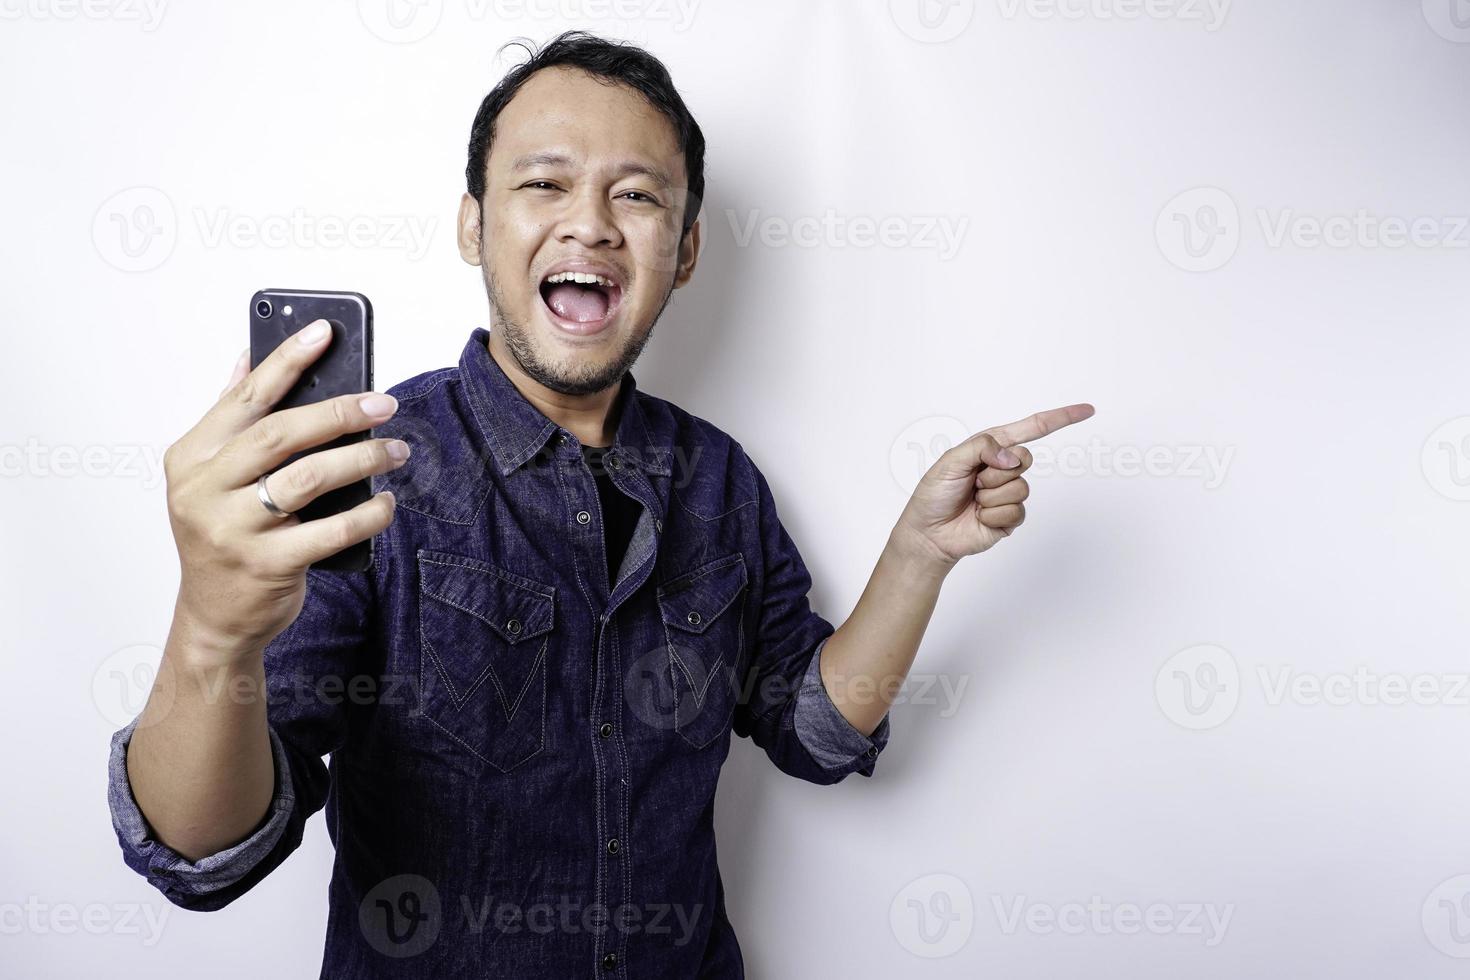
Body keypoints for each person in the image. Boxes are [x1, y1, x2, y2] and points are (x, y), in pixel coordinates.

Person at [106, 30, 1093, 978]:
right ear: (472, 223)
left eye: (636, 194)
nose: (590, 221)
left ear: (687, 249)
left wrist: (921, 552)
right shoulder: (358, 467)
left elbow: (817, 731)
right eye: (543, 182)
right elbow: (207, 848)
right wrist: (209, 628)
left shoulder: (722, 481)